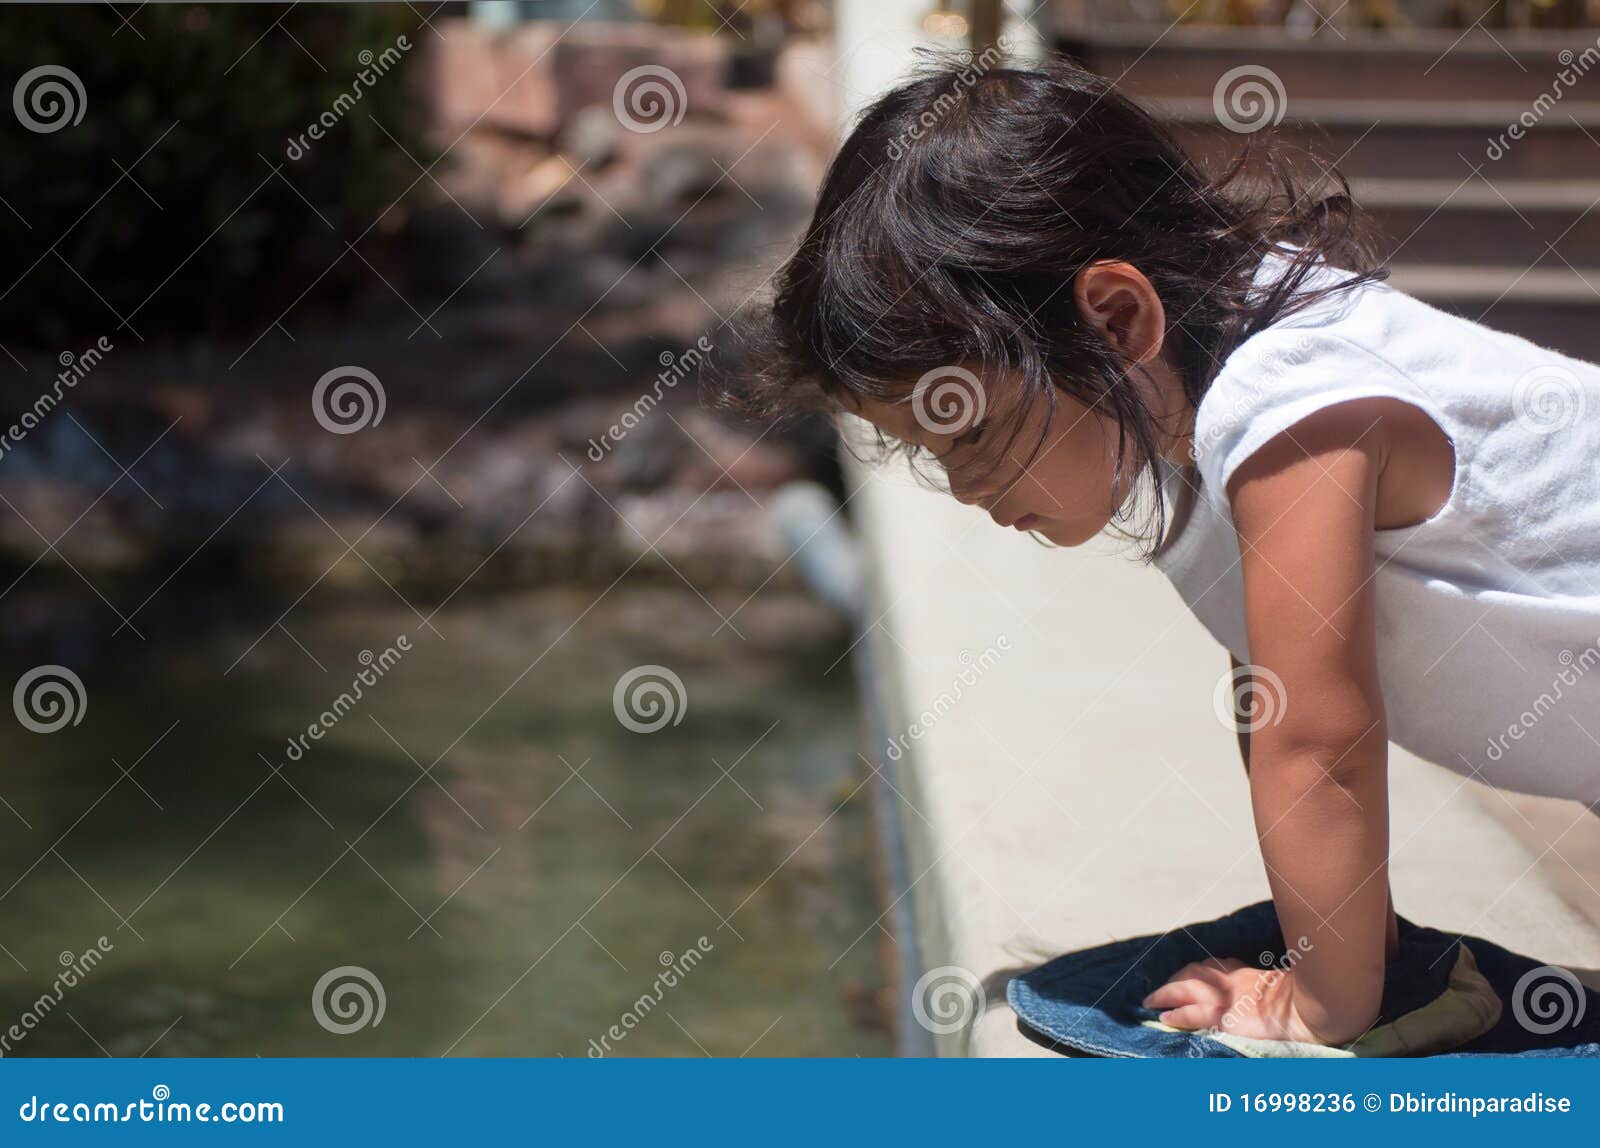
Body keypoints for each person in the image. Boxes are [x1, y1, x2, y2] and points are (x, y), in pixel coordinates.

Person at [701, 49, 1600, 1049]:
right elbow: (1275, 696)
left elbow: (1319, 743)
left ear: (1119, 317)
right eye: (927, 450)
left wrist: (1321, 1003)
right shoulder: (1204, 424)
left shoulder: (1289, 401)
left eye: (970, 432)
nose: (962, 486)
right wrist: (1343, 945)